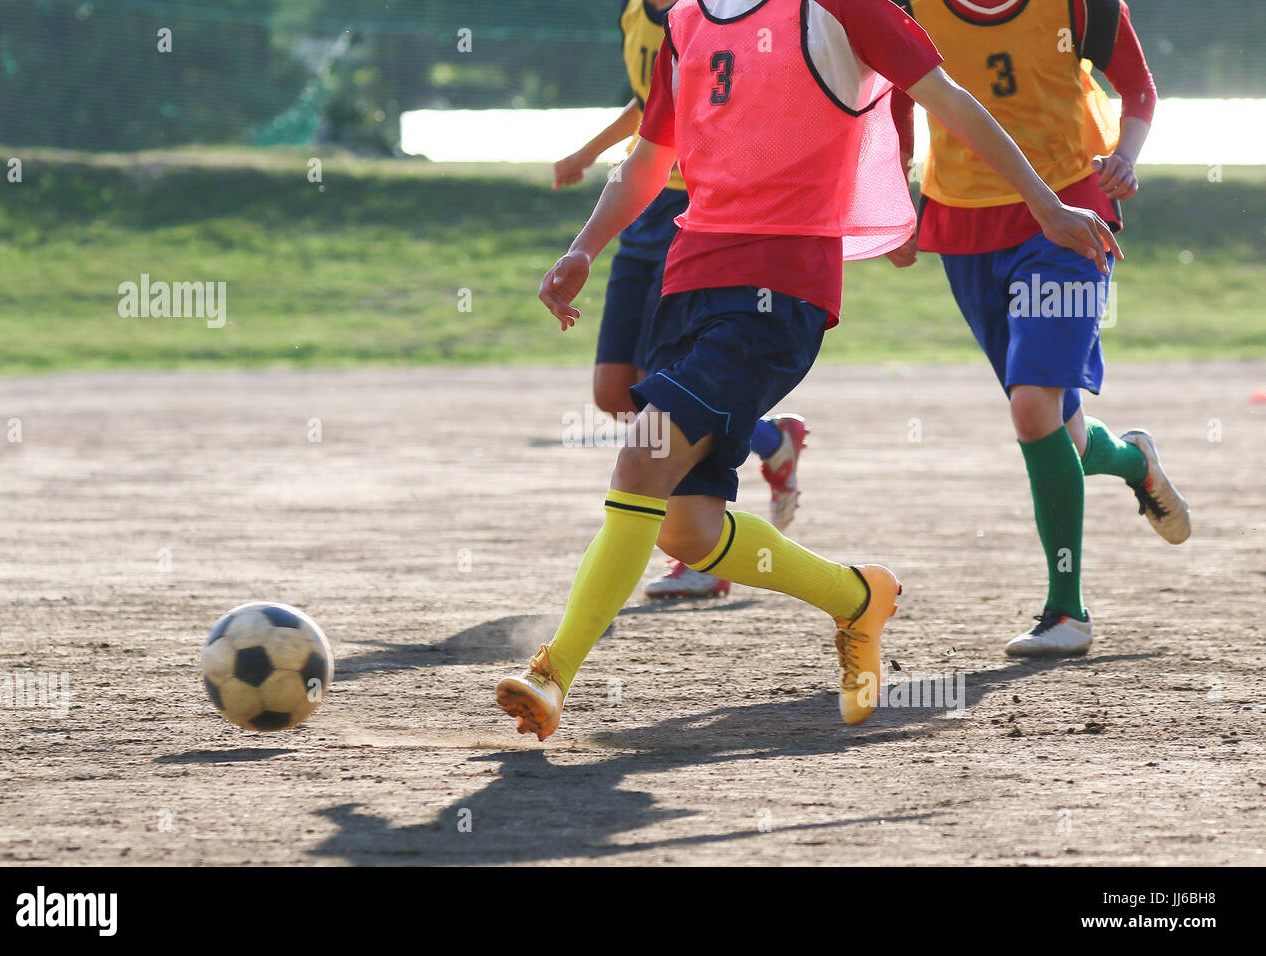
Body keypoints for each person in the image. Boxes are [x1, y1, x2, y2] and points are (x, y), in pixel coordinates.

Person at [497, 0, 1119, 741]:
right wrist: (584, 248)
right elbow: (649, 158)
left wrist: (1046, 205)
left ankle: (553, 671)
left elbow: (951, 99)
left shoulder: (845, 8)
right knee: (688, 531)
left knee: (643, 454)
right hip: (687, 283)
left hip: (779, 294)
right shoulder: (689, 19)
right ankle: (855, 597)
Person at [888, 0, 1190, 658]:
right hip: (964, 226)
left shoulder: (1083, 5)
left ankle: (1066, 611)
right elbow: (895, 95)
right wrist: (893, 193)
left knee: (1031, 409)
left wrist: (1126, 157)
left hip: (1070, 217)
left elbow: (1137, 89)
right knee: (1063, 435)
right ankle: (1136, 461)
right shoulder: (909, 6)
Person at [553, 0, 809, 600]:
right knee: (616, 392)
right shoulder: (634, 15)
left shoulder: (715, 14)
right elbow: (652, 105)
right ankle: (772, 441)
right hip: (642, 202)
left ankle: (701, 545)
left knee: (668, 392)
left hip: (693, 207)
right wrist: (590, 155)